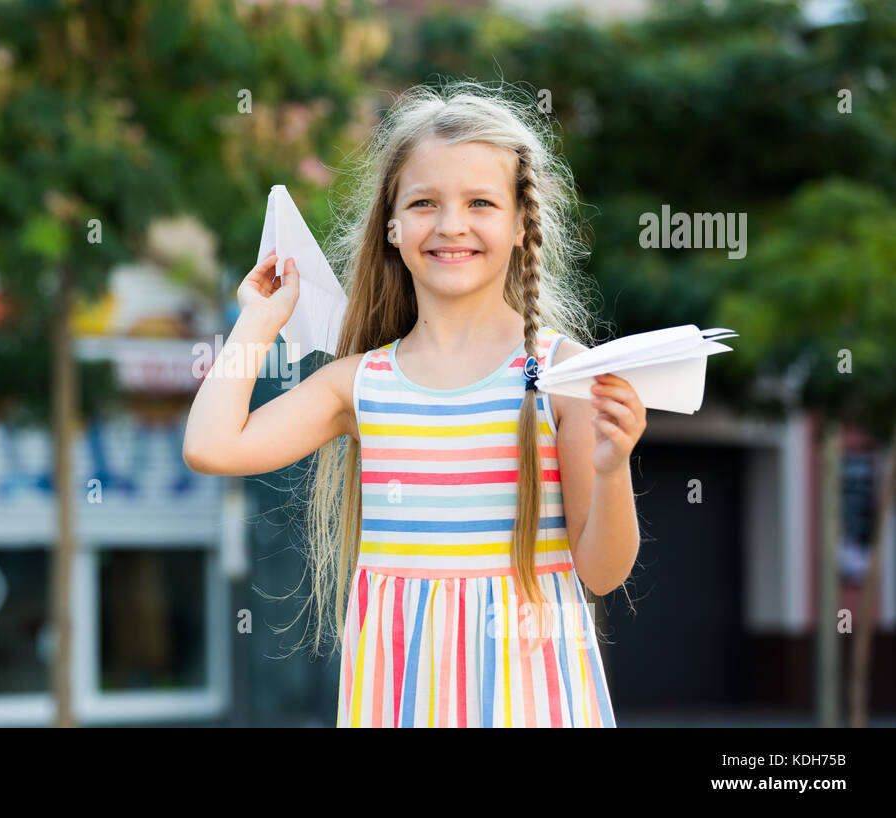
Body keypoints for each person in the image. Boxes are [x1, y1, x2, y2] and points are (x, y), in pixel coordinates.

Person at [183, 81, 645, 727]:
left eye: (481, 202)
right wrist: (258, 321)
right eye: (424, 202)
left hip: (535, 705)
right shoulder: (360, 384)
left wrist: (613, 464)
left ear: (520, 226)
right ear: (392, 227)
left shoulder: (563, 375)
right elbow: (210, 445)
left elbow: (601, 571)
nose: (451, 224)